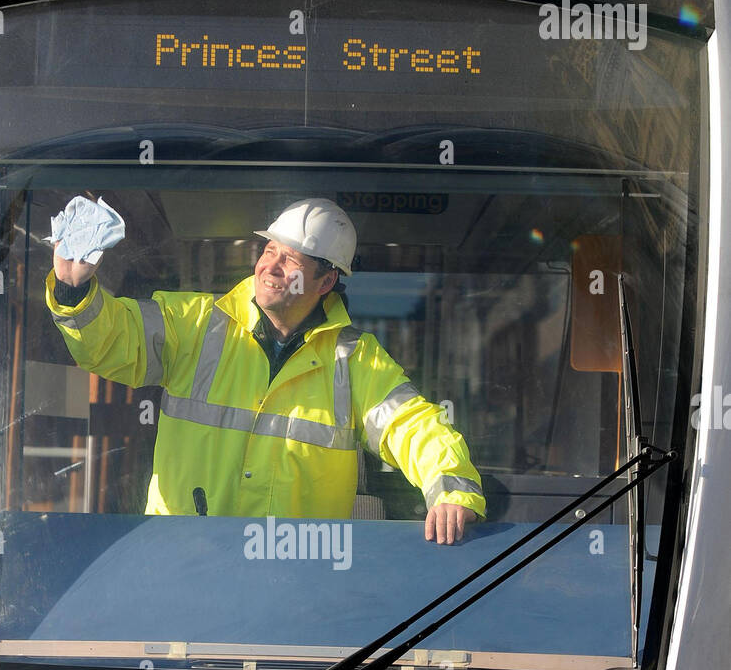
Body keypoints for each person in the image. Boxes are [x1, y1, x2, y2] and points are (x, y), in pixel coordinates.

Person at [45, 197, 485, 543]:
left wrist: (450, 490)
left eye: (291, 260)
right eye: (269, 250)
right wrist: (72, 290)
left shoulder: (355, 361)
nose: (270, 267)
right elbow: (111, 343)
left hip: (294, 587)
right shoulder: (197, 324)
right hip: (179, 565)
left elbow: (414, 426)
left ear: (326, 282)